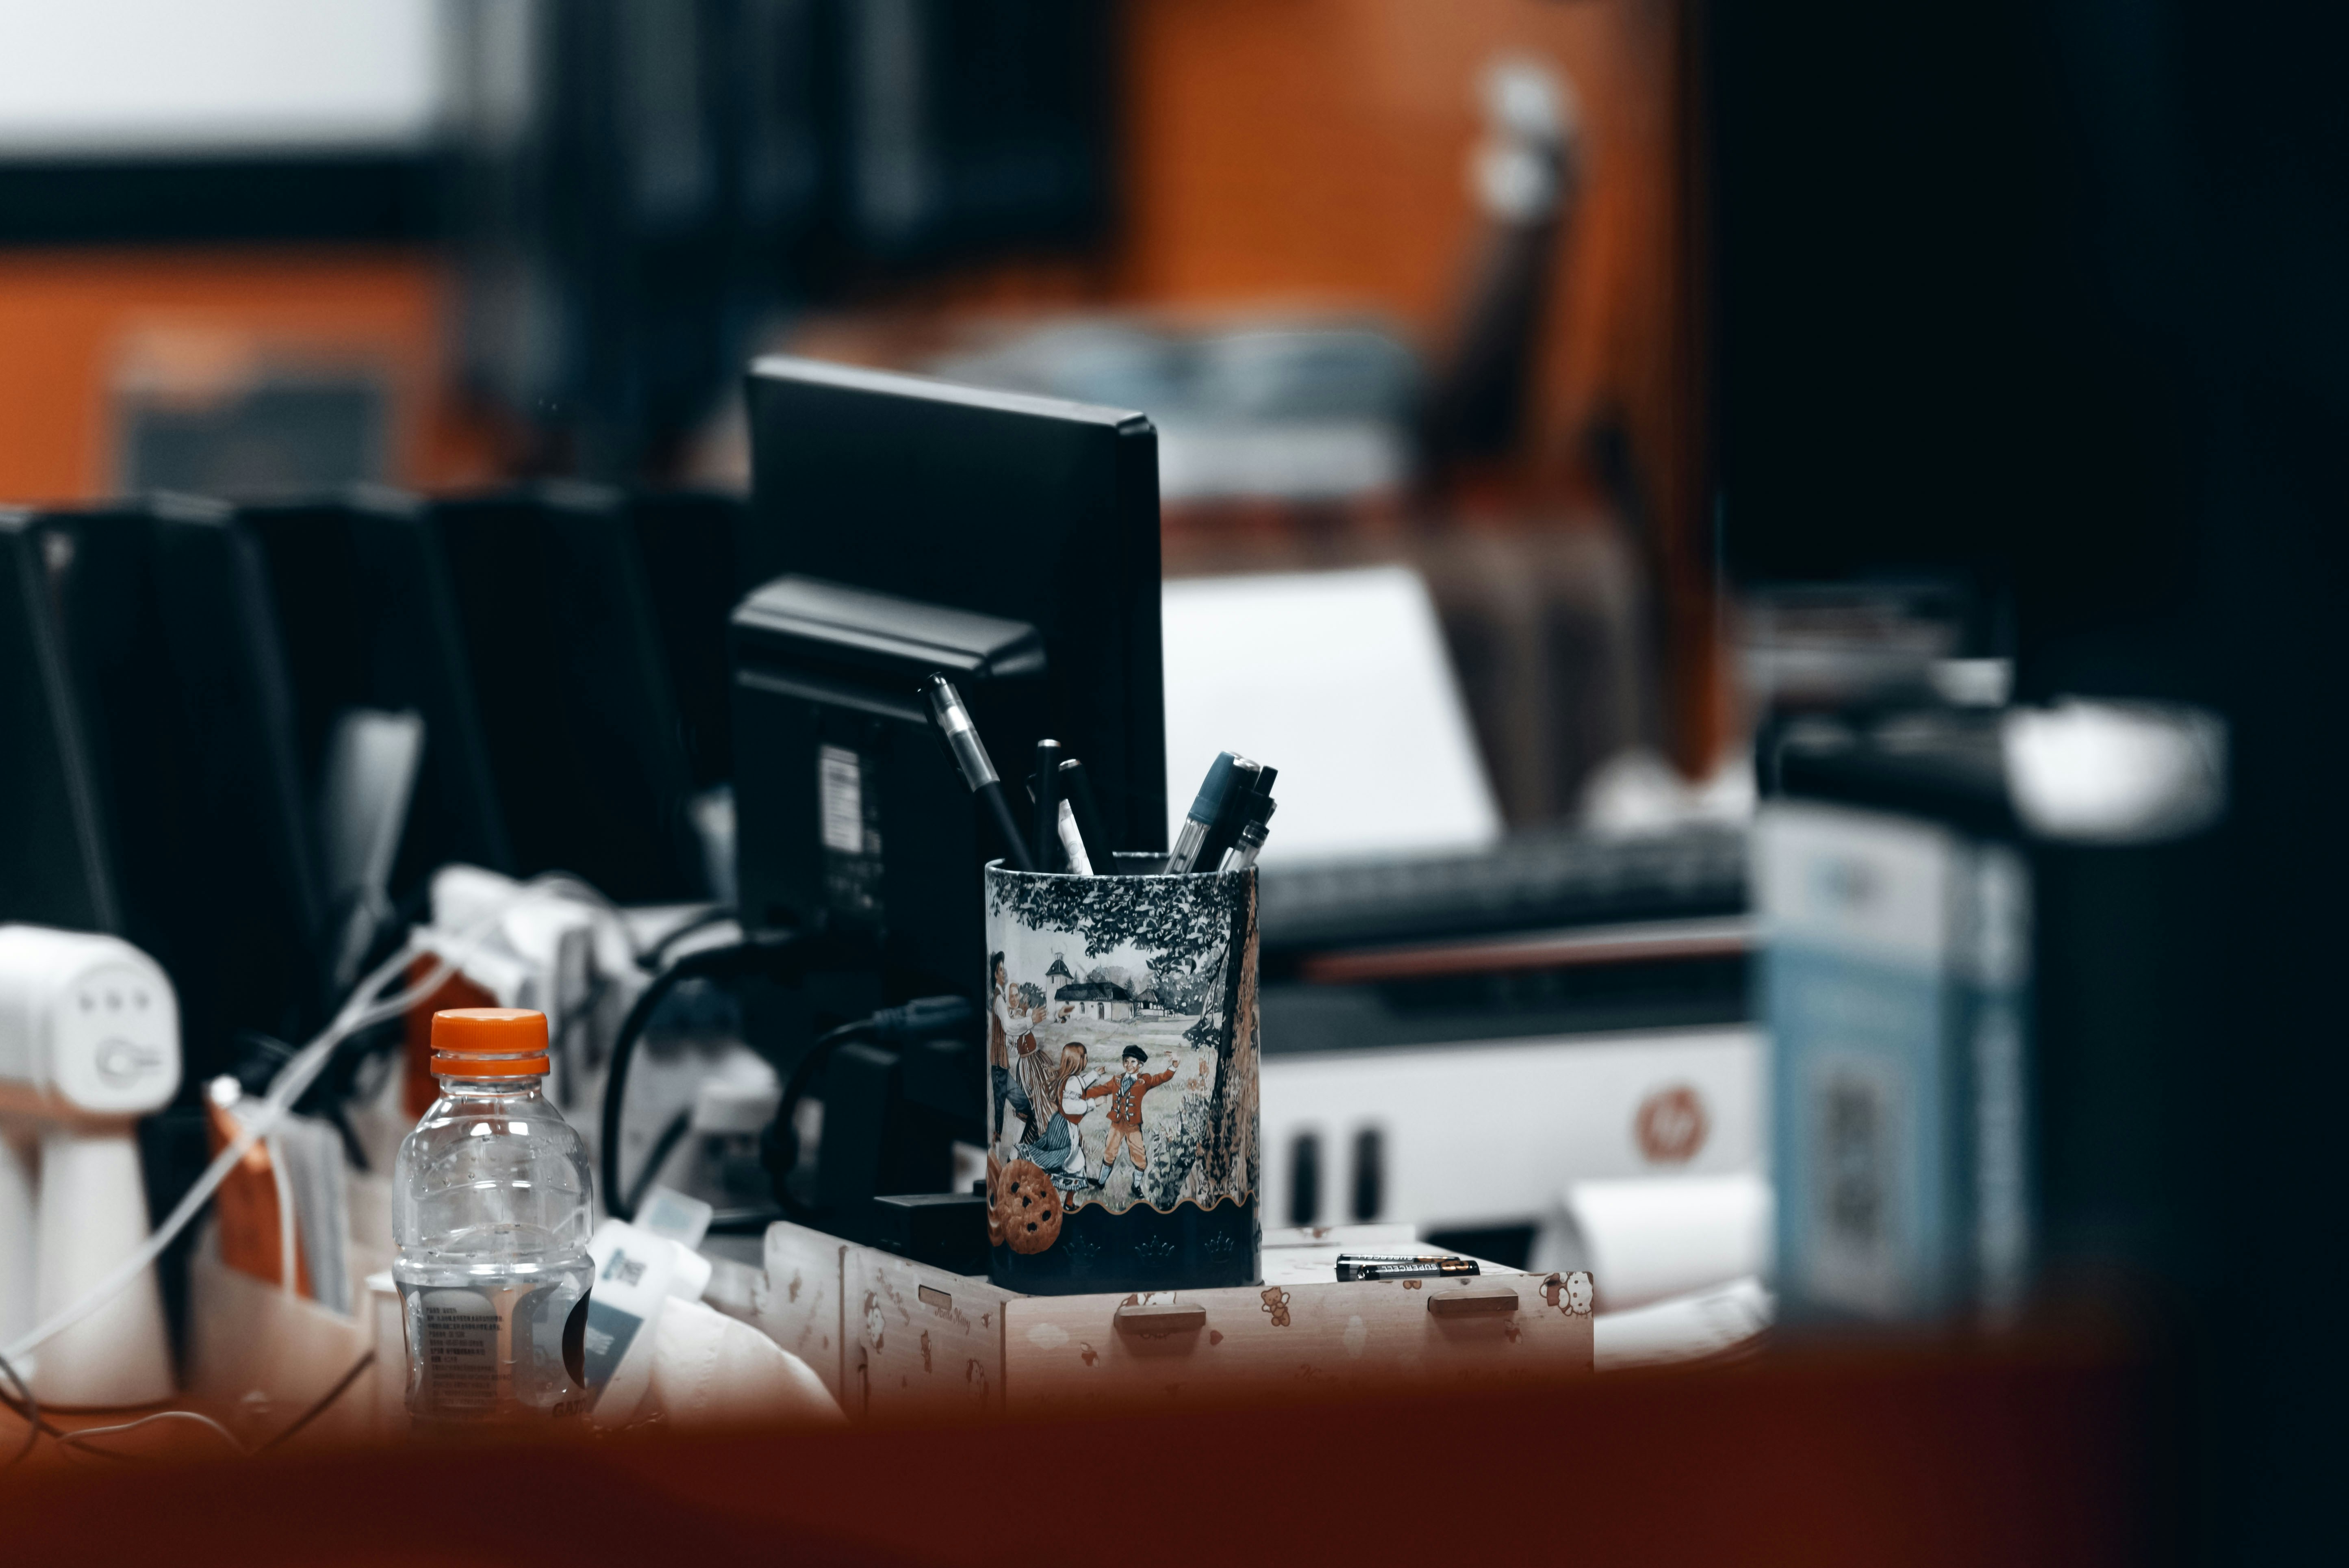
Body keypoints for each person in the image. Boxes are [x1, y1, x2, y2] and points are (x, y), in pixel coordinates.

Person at [1083, 1044, 1176, 1193]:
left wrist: (1174, 1066)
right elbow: (1100, 1090)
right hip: (1117, 1123)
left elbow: (1161, 1078)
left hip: (1133, 1125)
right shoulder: (1117, 1080)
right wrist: (1081, 1094)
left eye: (1133, 1062)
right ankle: (1101, 1183)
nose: (1129, 1065)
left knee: (1139, 1155)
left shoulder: (1144, 1081)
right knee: (1110, 1152)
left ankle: (1136, 1185)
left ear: (1140, 1064)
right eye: (1126, 1061)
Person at [1054, 1042, 1109, 1189]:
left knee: (1076, 1158)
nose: (1087, 1060)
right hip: (1067, 1127)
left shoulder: (1072, 1079)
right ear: (1077, 1061)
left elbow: (1082, 1083)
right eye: (1085, 1058)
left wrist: (1096, 1074)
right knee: (1072, 1159)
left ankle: (1073, 1196)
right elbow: (1069, 1106)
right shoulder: (1072, 1081)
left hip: (1067, 1125)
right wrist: (1093, 1103)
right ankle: (1066, 1185)